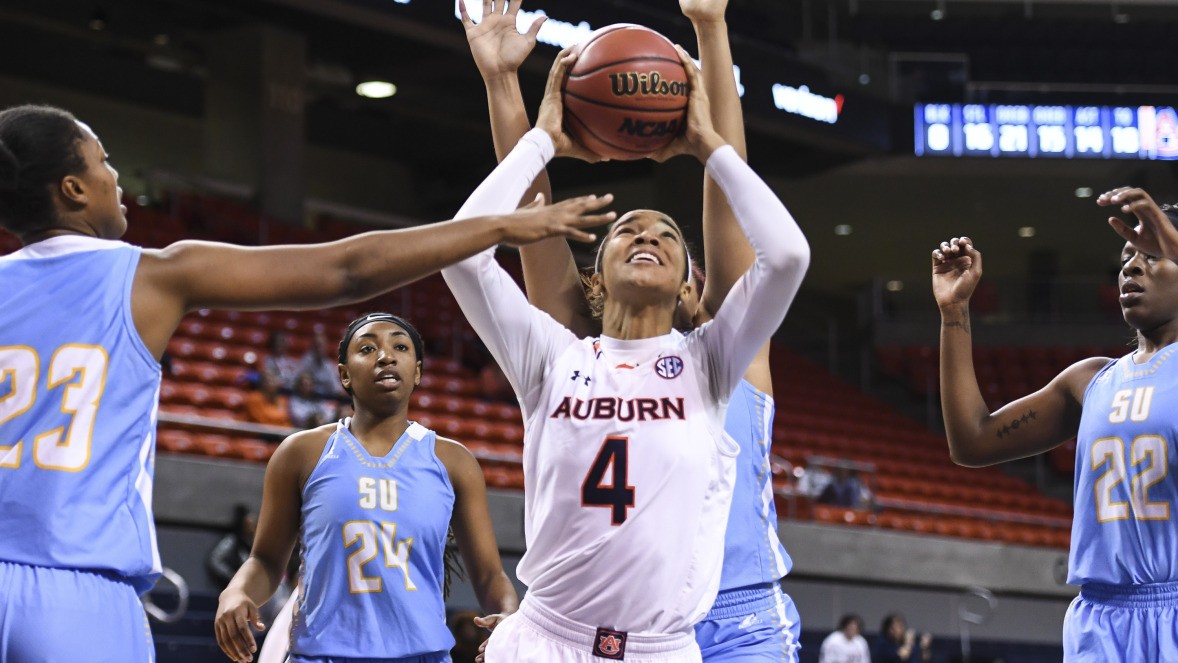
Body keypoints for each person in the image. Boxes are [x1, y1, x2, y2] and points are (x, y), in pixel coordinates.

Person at [0, 103, 610, 661]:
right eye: (103, 162)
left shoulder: (448, 459)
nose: (115, 175)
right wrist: (499, 227)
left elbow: (490, 578)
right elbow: (347, 270)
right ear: (74, 189)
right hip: (76, 587)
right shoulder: (151, 275)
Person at [441, 34, 809, 661]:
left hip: (734, 608)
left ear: (692, 277)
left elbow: (759, 229)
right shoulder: (568, 354)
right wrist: (507, 88)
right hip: (579, 617)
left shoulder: (724, 356)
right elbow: (529, 222)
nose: (649, 239)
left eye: (670, 238)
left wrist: (711, 27)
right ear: (598, 275)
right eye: (628, 232)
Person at [931, 185, 1178, 662]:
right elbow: (972, 441)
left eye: (1152, 256)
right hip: (1101, 620)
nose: (1130, 267)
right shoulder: (1091, 380)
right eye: (1127, 256)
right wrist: (954, 313)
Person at [215, 313, 519, 663]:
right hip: (321, 655)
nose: (385, 356)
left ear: (417, 371)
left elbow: (489, 575)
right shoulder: (301, 453)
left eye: (400, 347)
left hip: (422, 655)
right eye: (368, 348)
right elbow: (266, 560)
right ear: (344, 373)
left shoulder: (454, 461)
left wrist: (510, 615)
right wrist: (236, 592)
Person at [207, 504, 258, 590]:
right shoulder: (232, 540)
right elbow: (215, 560)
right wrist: (231, 574)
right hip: (232, 587)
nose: (252, 524)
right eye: (249, 521)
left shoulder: (250, 541)